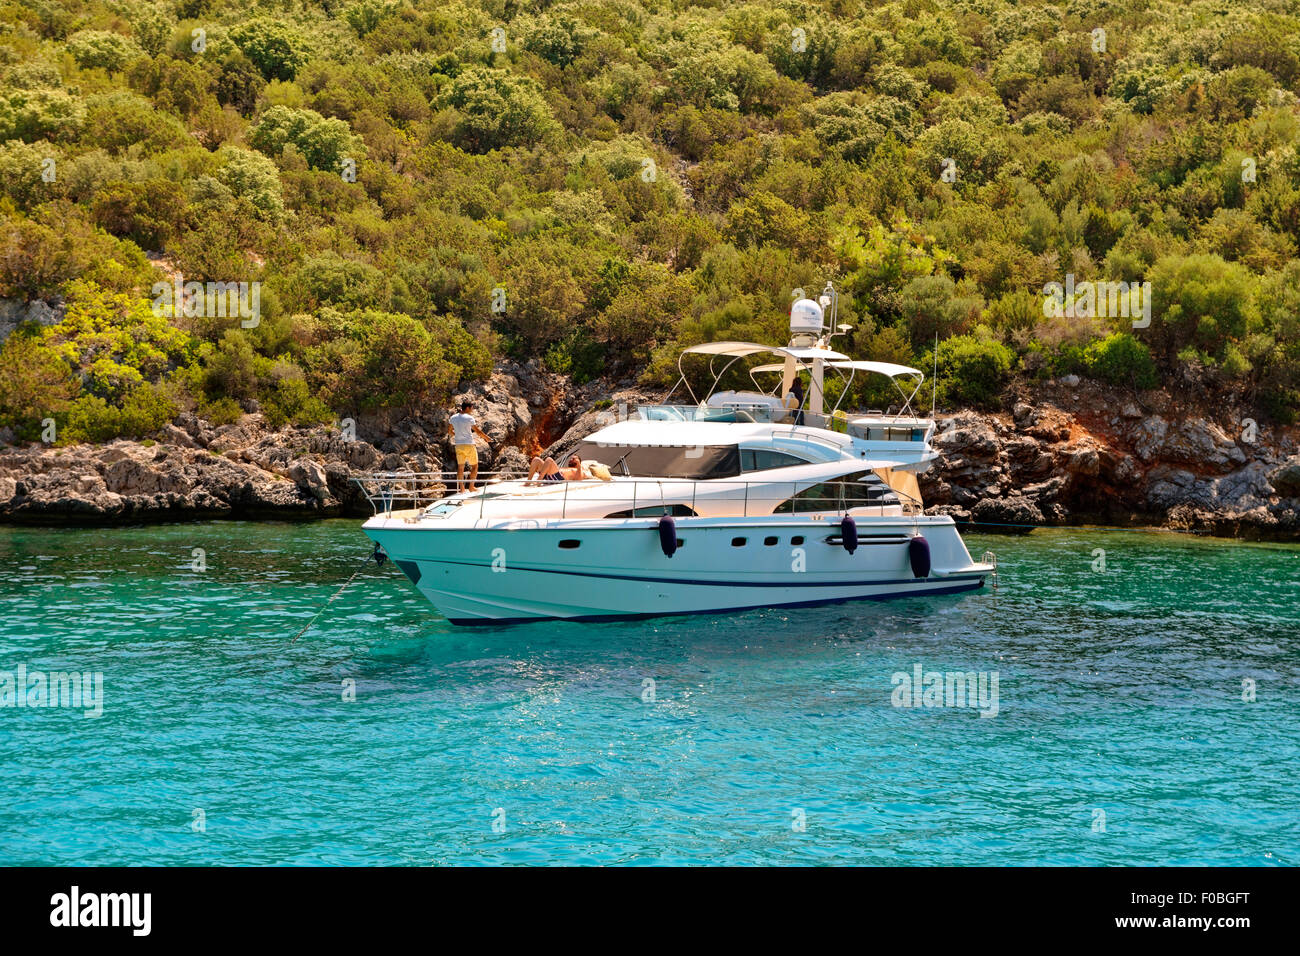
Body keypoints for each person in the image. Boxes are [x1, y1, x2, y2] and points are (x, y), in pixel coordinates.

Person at [447, 400, 492, 492]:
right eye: (471, 407)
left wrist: (457, 435)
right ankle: (471, 487)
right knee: (475, 466)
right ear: (467, 408)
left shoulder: (453, 418)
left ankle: (462, 489)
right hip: (469, 444)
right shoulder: (469, 418)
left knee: (460, 467)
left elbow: (449, 431)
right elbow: (478, 431)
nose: (472, 409)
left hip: (458, 445)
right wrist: (486, 438)